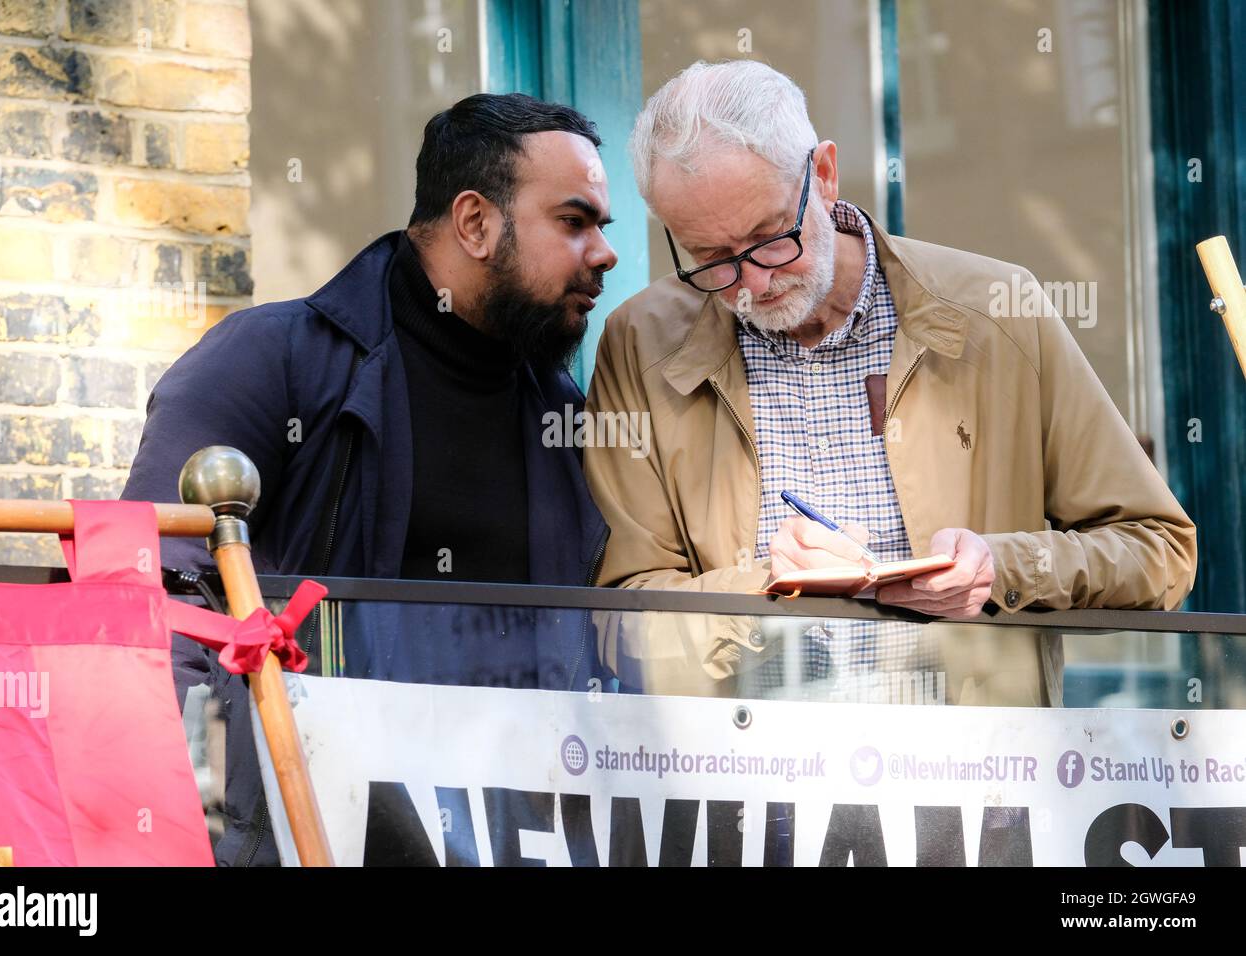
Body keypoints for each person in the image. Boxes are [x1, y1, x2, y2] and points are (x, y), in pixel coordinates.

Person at [584, 60, 1196, 703]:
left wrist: (1000, 569)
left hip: (975, 777)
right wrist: (763, 589)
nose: (752, 284)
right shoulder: (640, 343)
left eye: (770, 239)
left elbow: (1156, 550)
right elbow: (615, 623)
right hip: (752, 784)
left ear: (823, 176)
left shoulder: (1000, 311)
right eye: (711, 259)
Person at [123, 92, 617, 864]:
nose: (604, 253)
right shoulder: (270, 361)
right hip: (305, 837)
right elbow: (152, 607)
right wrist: (179, 838)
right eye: (575, 221)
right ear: (476, 222)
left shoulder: (566, 413)